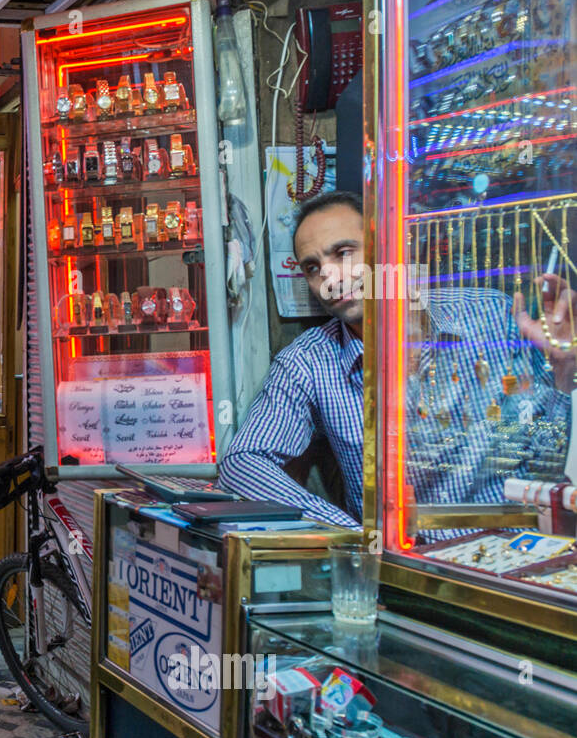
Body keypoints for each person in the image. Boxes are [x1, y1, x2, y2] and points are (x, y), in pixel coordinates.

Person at [219, 189, 574, 528]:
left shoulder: (487, 315)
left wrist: (562, 371)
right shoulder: (308, 363)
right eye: (312, 267)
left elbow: (544, 461)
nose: (329, 275)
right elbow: (241, 464)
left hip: (510, 553)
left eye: (343, 252)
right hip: (400, 571)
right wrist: (351, 532)